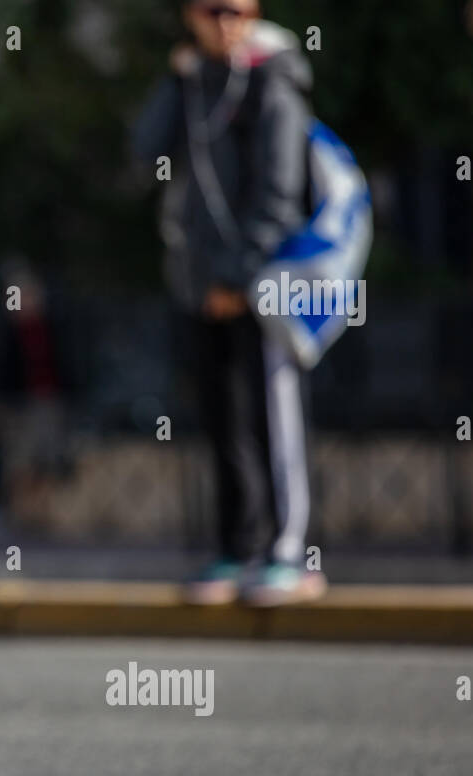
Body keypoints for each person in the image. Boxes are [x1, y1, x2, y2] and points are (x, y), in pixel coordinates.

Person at [132, 0, 327, 607]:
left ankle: (288, 554)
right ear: (189, 15)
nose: (226, 22)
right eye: (212, 9)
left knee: (273, 417)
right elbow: (145, 155)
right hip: (200, 284)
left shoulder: (274, 78)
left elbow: (280, 191)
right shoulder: (193, 81)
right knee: (225, 420)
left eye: (238, 10)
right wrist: (177, 78)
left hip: (260, 287)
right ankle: (236, 549)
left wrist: (237, 277)